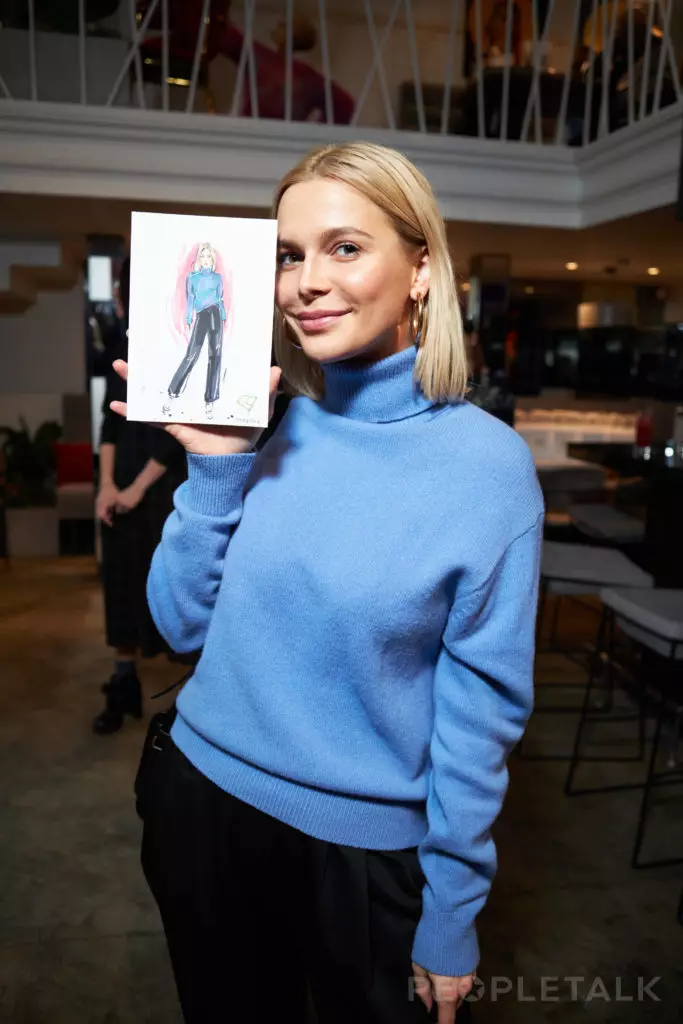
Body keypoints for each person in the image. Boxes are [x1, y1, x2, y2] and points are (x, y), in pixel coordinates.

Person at [109, 142, 544, 1022]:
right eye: (289, 253)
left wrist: (452, 910)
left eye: (344, 248)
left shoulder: (485, 468)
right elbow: (177, 627)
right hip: (200, 808)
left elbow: (480, 711)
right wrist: (215, 473)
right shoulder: (263, 423)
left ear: (421, 269)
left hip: (361, 856)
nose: (305, 281)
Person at [93, 258, 188, 736]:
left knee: (168, 583)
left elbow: (173, 437)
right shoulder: (118, 346)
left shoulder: (177, 345)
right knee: (120, 580)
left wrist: (134, 489)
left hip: (161, 486)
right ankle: (124, 681)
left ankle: (188, 703)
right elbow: (108, 423)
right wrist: (107, 486)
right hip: (122, 480)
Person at [166, 242, 227, 420]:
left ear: (212, 259)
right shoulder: (192, 278)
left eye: (209, 256)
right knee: (192, 354)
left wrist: (223, 316)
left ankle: (210, 400)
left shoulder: (217, 278)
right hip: (201, 315)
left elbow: (220, 298)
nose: (206, 259)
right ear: (199, 259)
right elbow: (190, 299)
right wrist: (188, 319)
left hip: (216, 314)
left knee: (215, 356)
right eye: (203, 256)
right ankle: (173, 391)